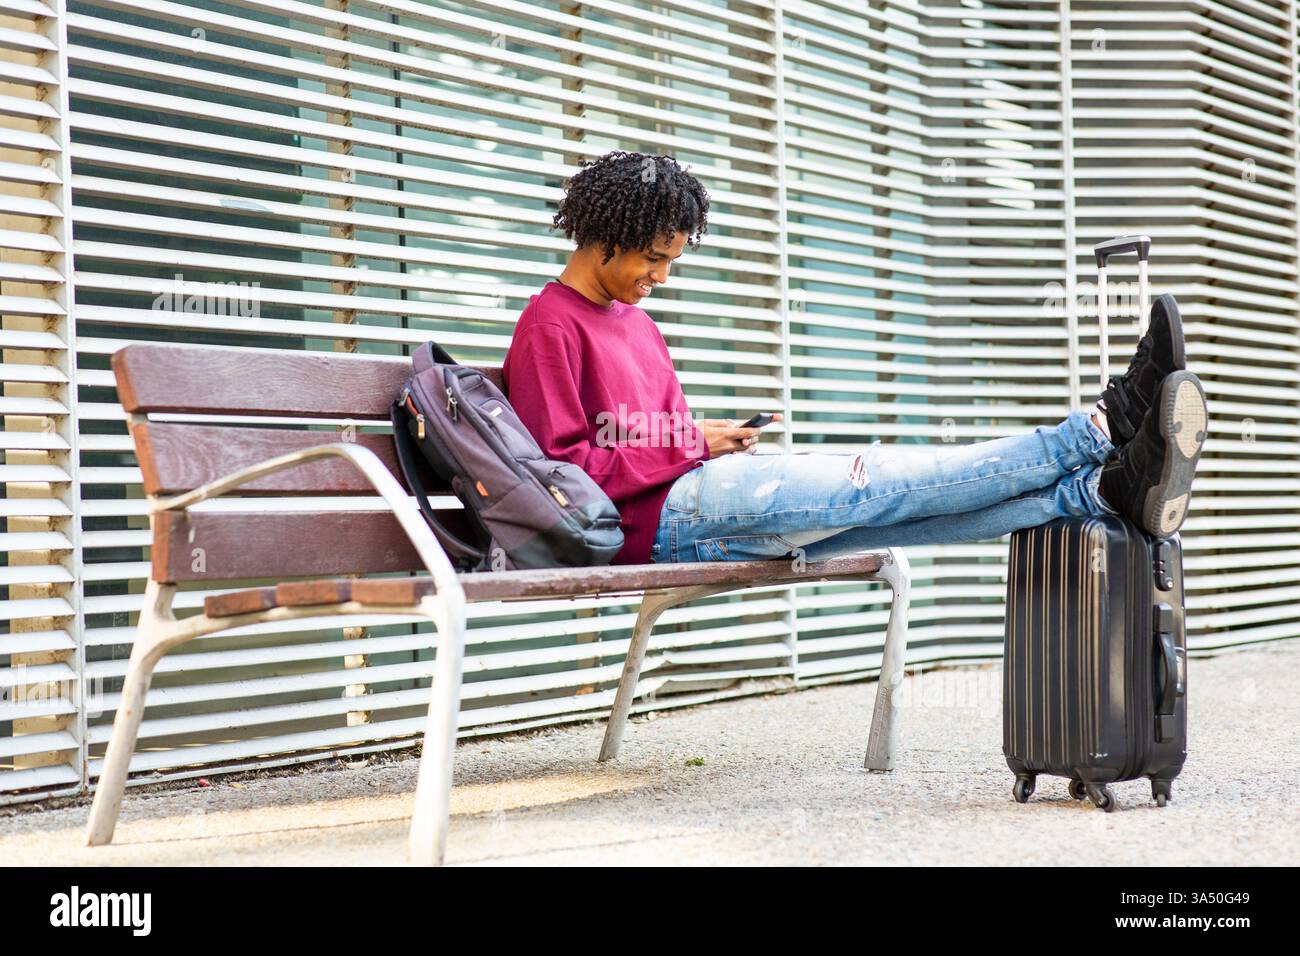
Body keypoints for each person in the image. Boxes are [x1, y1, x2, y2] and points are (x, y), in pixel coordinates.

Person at [502, 150, 1208, 566]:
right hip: (651, 525)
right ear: (606, 237)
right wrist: (691, 443)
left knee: (898, 515)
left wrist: (706, 440)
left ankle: (1102, 492)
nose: (661, 276)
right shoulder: (549, 326)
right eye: (654, 259)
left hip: (694, 501)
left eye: (671, 262)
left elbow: (651, 437)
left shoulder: (636, 324)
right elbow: (564, 474)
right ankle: (1102, 427)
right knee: (887, 480)